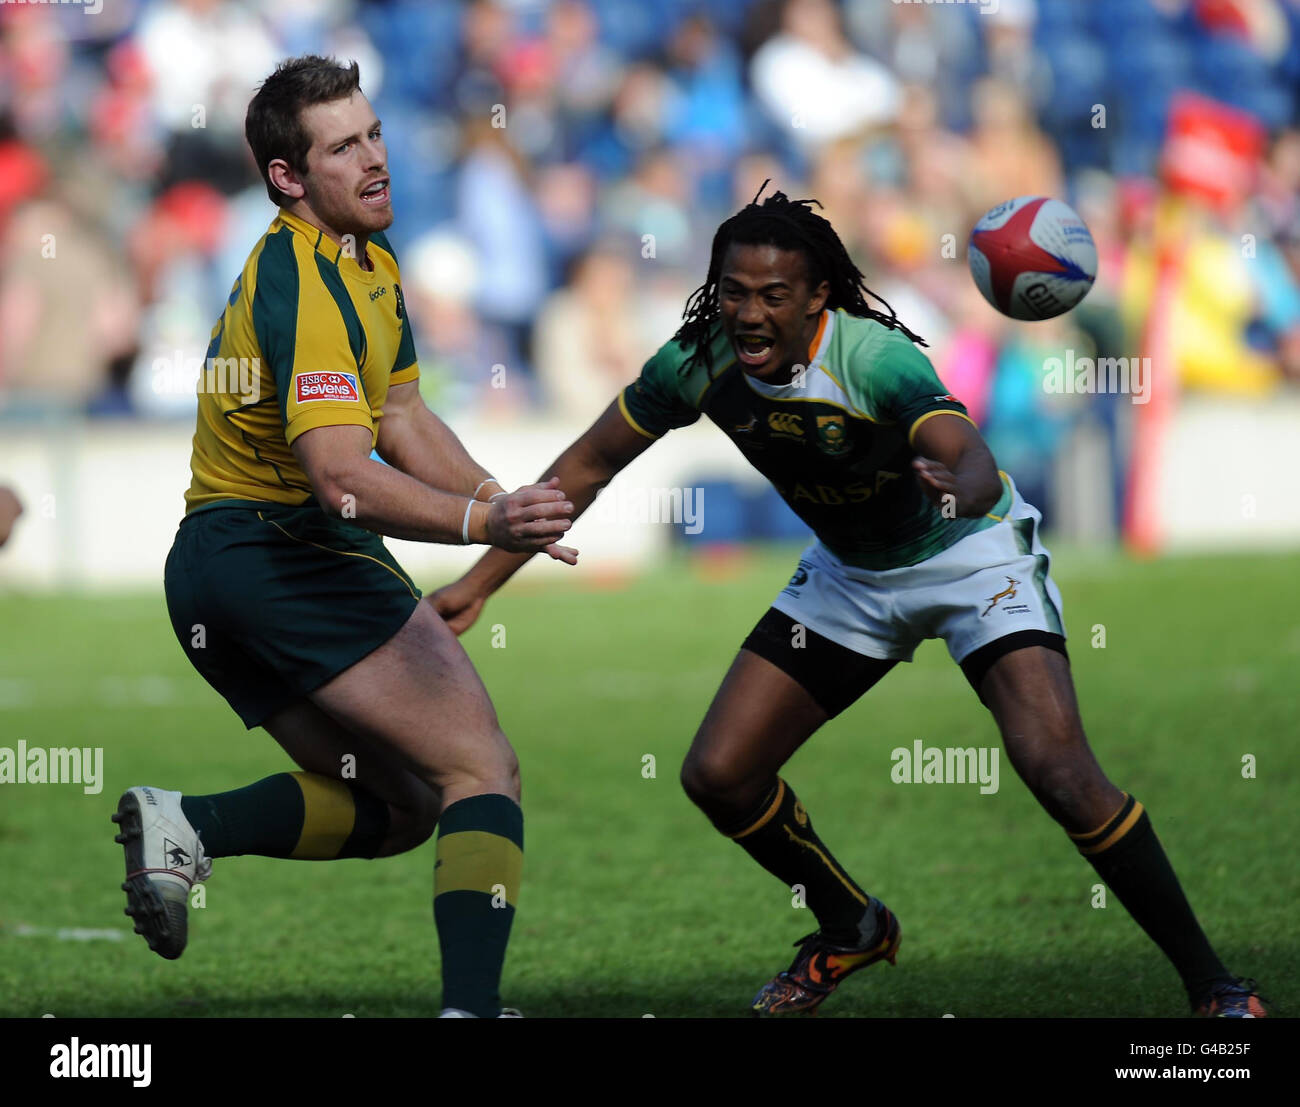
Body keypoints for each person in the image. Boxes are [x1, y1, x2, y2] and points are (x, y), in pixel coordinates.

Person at [432, 186, 1267, 1018]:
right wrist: (476, 586)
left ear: (818, 296)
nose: (748, 314)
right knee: (720, 774)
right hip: (851, 576)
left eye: (772, 296)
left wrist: (968, 489)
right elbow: (586, 465)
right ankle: (851, 925)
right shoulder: (696, 360)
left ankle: (1216, 986)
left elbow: (966, 453)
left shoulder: (873, 358)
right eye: (732, 291)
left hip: (969, 558)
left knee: (1058, 768)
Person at [113, 56, 576, 1020]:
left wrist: (498, 494)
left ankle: (185, 823)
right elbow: (341, 475)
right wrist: (483, 524)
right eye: (342, 147)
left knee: (401, 803)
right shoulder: (303, 279)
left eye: (374, 134)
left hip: (214, 566)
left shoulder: (369, 261)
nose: (375, 161)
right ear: (287, 177)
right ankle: (473, 1009)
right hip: (284, 550)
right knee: (481, 769)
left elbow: (402, 416)